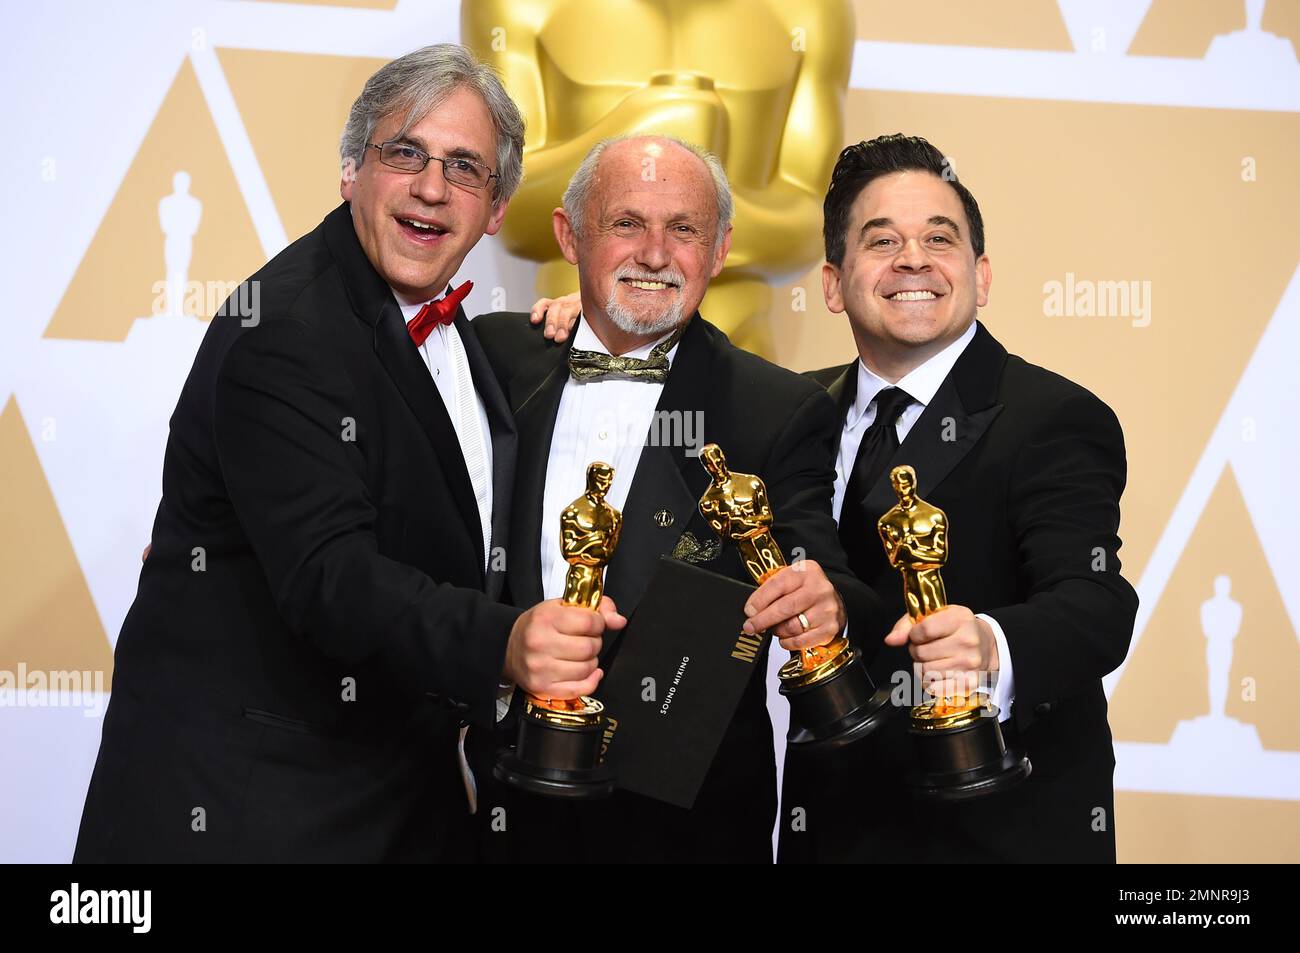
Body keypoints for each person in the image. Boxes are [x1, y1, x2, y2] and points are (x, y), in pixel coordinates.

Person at [74, 44, 620, 863]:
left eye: (464, 168)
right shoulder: (286, 327)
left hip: (395, 800)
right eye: (405, 153)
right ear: (349, 172)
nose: (431, 187)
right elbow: (331, 577)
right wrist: (504, 644)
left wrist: (600, 312)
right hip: (256, 809)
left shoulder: (467, 342)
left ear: (497, 208)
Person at [471, 134, 880, 862]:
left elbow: (826, 573)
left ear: (719, 250)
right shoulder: (496, 358)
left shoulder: (773, 407)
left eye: (683, 229)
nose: (655, 254)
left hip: (691, 826)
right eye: (626, 223)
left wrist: (828, 603)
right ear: (571, 235)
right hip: (498, 806)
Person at [778, 134, 1138, 863]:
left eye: (939, 240)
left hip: (991, 835)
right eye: (882, 241)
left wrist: (990, 646)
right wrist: (590, 317)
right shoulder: (793, 409)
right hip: (824, 830)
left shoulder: (1053, 416)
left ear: (980, 274)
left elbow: (1097, 605)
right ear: (832, 282)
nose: (913, 258)